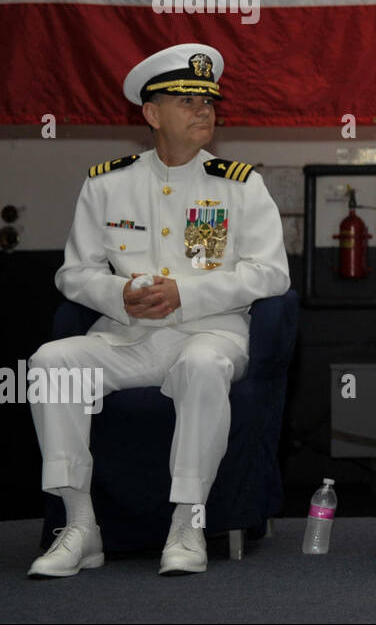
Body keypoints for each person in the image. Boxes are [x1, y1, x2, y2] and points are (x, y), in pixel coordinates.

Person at [28, 43, 290, 577]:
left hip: (211, 336)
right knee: (51, 363)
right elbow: (73, 273)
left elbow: (271, 274)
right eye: (187, 100)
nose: (203, 111)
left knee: (201, 365)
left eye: (208, 101)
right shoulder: (108, 182)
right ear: (151, 114)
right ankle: (80, 527)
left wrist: (187, 295)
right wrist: (117, 296)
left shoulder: (240, 185)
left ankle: (188, 521)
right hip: (129, 336)